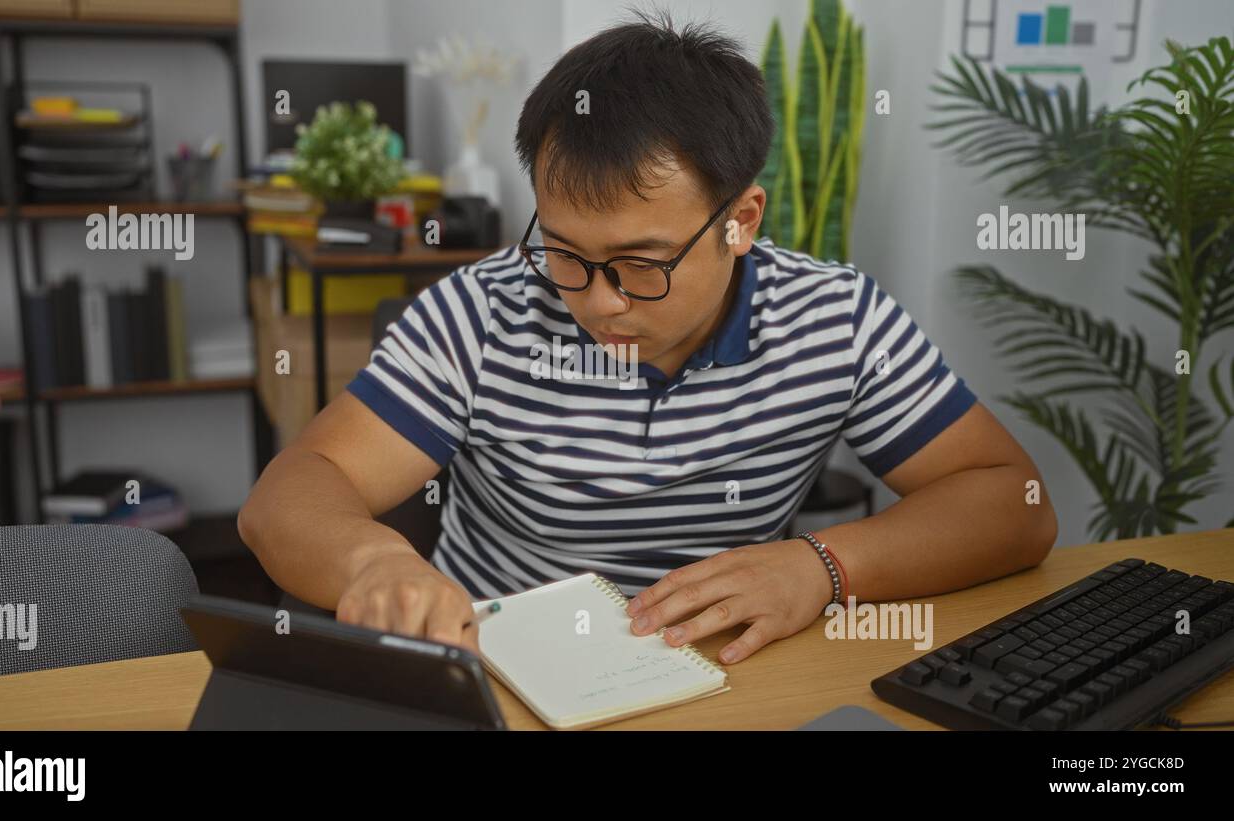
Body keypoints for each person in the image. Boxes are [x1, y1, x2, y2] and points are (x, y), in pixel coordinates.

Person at [239, 11, 1057, 665]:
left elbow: (1013, 504)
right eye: (563, 250)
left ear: (740, 221)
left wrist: (824, 566)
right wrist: (372, 562)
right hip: (495, 677)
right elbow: (290, 491)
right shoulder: (481, 311)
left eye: (640, 263)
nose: (597, 301)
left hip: (721, 677)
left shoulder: (834, 318)